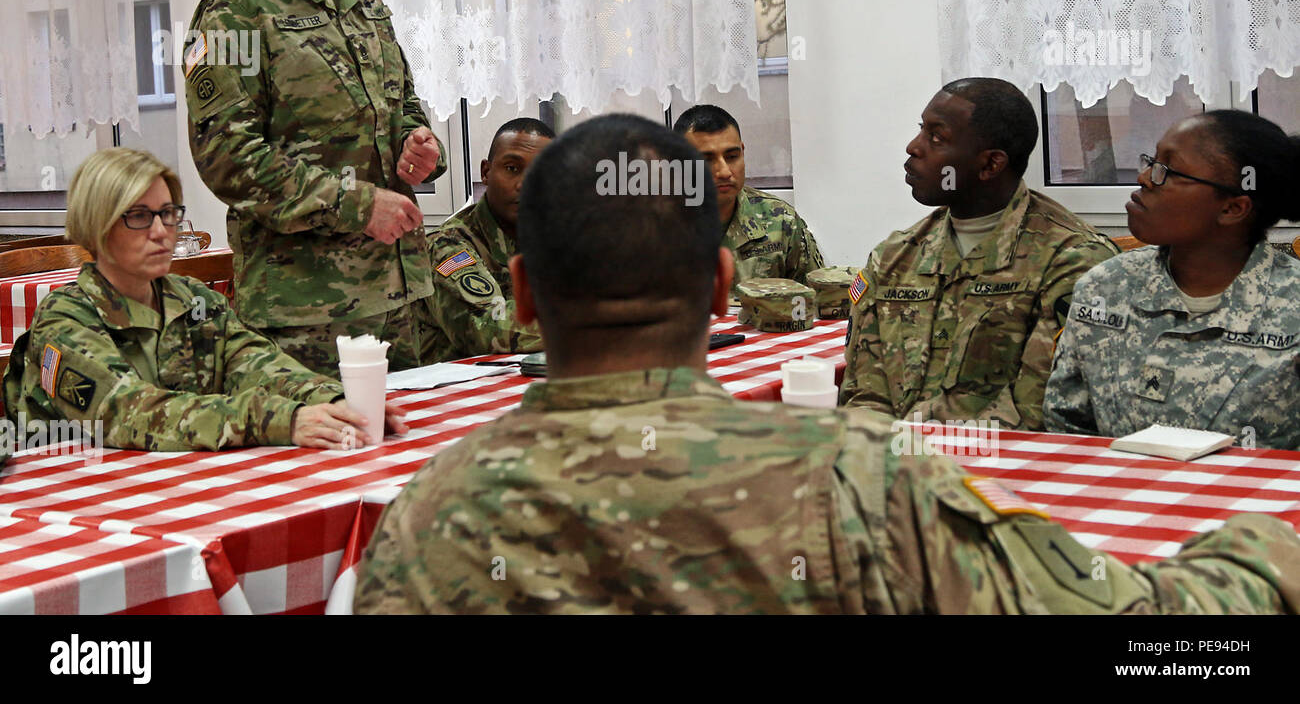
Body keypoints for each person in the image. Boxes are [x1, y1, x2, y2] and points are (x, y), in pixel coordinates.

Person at [353, 114, 1300, 614]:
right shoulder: (858, 485)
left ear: (521, 295)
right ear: (725, 287)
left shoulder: (422, 519)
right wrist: (1263, 549)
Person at [185, 0, 447, 375]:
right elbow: (230, 161)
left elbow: (402, 104)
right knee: (324, 461)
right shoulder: (233, 13)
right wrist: (356, 207)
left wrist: (418, 145)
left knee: (407, 457)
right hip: (302, 313)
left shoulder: (364, 1)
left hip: (398, 295)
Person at [0, 149, 406, 459]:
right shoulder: (65, 320)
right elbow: (127, 413)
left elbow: (257, 364)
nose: (162, 232)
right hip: (69, 501)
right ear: (98, 224)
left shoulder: (193, 300)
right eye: (138, 216)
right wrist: (282, 419)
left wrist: (335, 402)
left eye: (168, 213)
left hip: (167, 480)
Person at [839, 79, 1117, 430]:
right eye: (920, 130)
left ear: (990, 165)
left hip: (1007, 466)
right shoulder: (894, 258)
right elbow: (864, 393)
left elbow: (1038, 409)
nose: (913, 147)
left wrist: (917, 446)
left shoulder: (1071, 261)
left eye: (936, 137)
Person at [1045, 112, 1300, 447]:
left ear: (1233, 208)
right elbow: (1066, 427)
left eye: (1168, 170)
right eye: (1151, 161)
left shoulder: (1291, 304)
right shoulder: (1105, 287)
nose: (1144, 177)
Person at [423, 118, 553, 360]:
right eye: (512, 168)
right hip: (451, 390)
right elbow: (485, 329)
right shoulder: (447, 245)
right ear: (486, 172)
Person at [673, 104, 824, 287]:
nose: (724, 172)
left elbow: (816, 301)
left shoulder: (780, 221)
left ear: (742, 152)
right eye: (707, 160)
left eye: (732, 156)